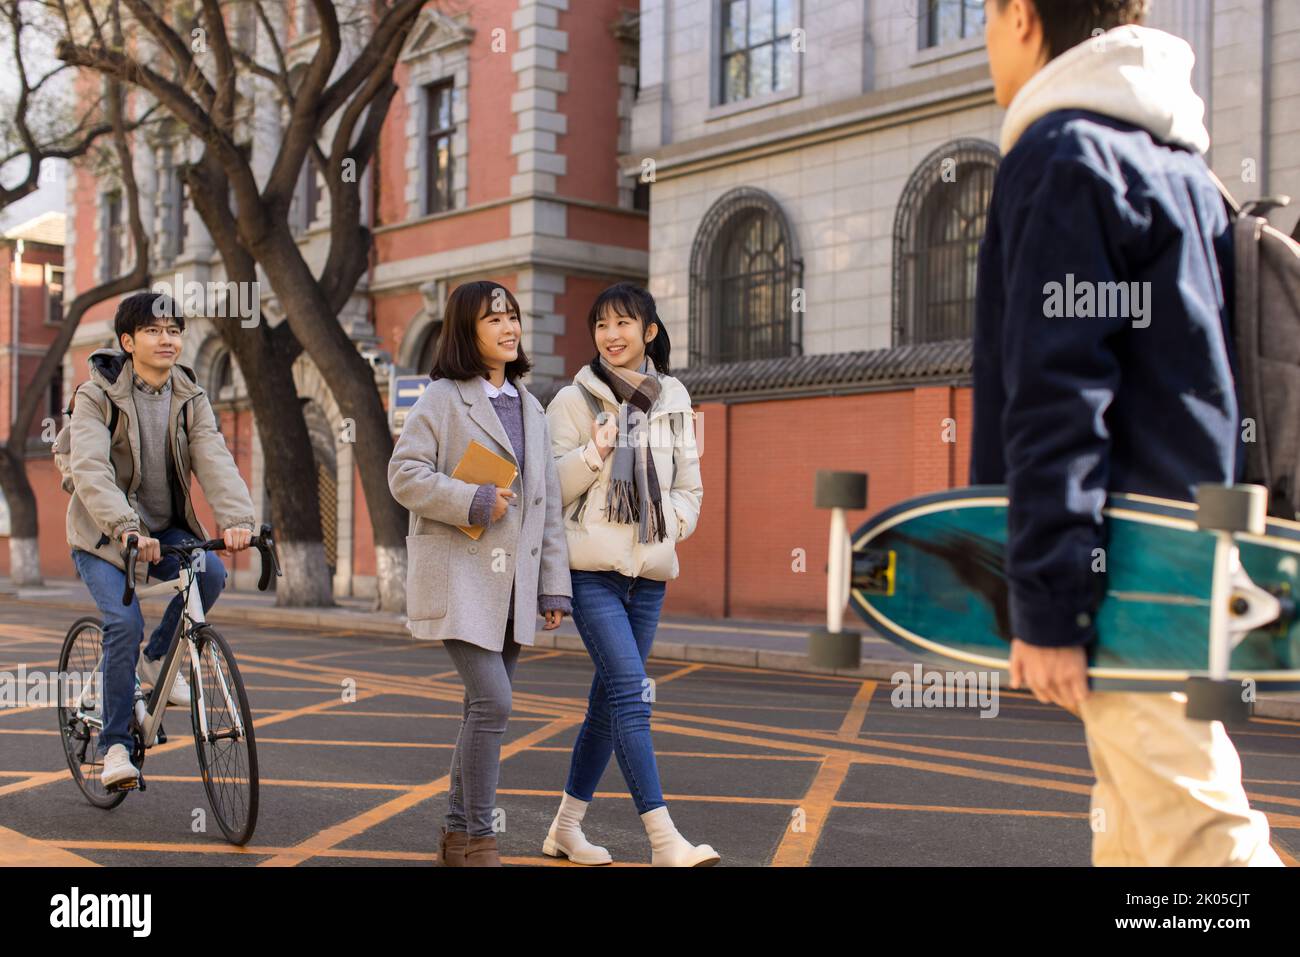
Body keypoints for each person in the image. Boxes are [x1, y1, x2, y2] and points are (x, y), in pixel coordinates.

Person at [974, 0, 1282, 865]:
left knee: (1198, 841)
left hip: (1126, 573)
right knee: (1136, 835)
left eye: (986, 17)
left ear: (1024, 17)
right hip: (1188, 547)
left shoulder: (1063, 154)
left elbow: (1058, 395)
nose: (985, 44)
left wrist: (1048, 604)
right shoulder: (1180, 164)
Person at [388, 280, 572, 867]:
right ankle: (480, 837)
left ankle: (455, 836)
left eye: (513, 316)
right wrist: (470, 499)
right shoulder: (443, 398)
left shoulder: (533, 406)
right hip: (461, 576)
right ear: (468, 332)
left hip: (512, 586)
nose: (509, 327)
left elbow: (544, 507)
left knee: (479, 708)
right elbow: (405, 475)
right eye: (494, 319)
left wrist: (552, 584)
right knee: (494, 704)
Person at [543, 282, 717, 866]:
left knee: (605, 706)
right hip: (591, 574)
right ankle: (665, 842)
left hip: (649, 578)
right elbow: (547, 491)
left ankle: (565, 829)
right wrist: (593, 456)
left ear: (648, 332)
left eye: (623, 324)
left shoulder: (673, 401)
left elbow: (689, 488)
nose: (611, 336)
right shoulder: (573, 402)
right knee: (632, 696)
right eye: (600, 326)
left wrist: (671, 524)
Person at [67, 291, 256, 790]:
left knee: (211, 573)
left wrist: (239, 519)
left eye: (173, 330)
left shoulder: (190, 396)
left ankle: (156, 659)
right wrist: (126, 526)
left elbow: (214, 458)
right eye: (153, 331)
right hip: (104, 536)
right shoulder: (96, 395)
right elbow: (89, 469)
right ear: (129, 342)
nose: (166, 339)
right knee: (123, 623)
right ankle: (114, 748)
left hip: (164, 530)